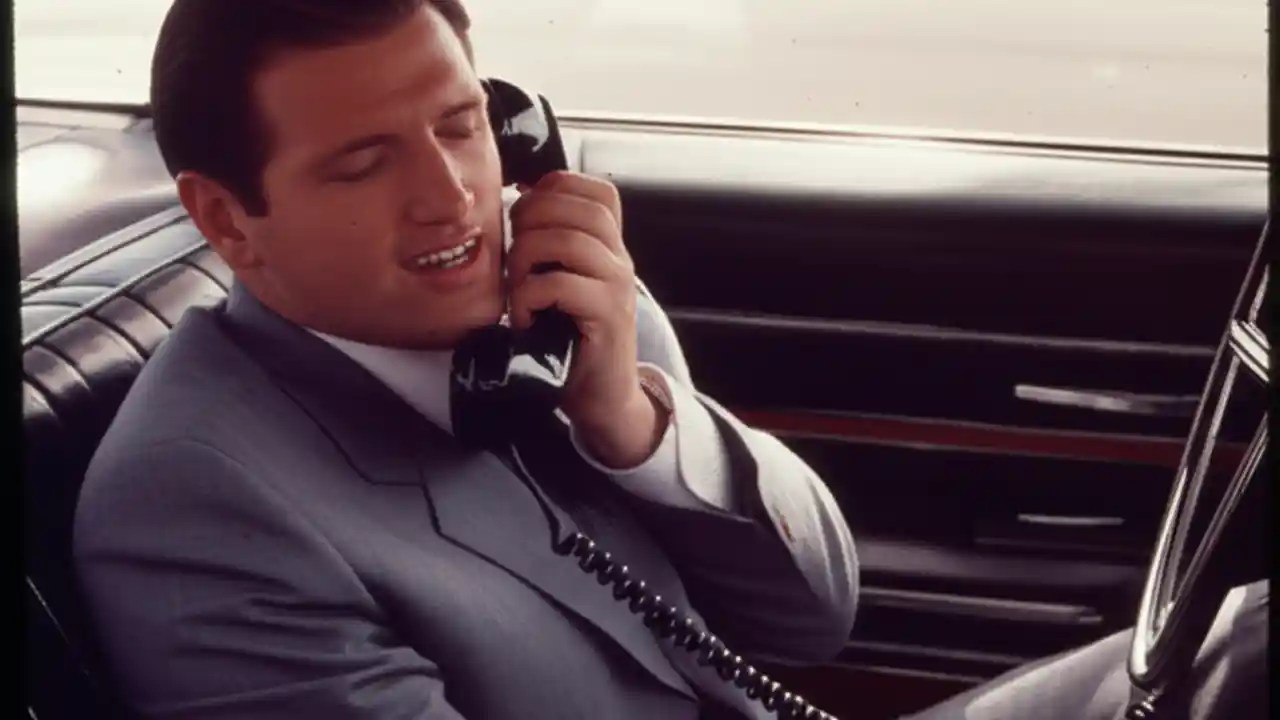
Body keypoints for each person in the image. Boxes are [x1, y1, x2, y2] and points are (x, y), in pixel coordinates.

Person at [73, 2, 1267, 720]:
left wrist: (633, 425)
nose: (450, 196)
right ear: (228, 219)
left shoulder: (558, 296)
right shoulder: (197, 502)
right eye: (360, 163)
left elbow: (812, 618)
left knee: (1252, 635)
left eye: (456, 124)